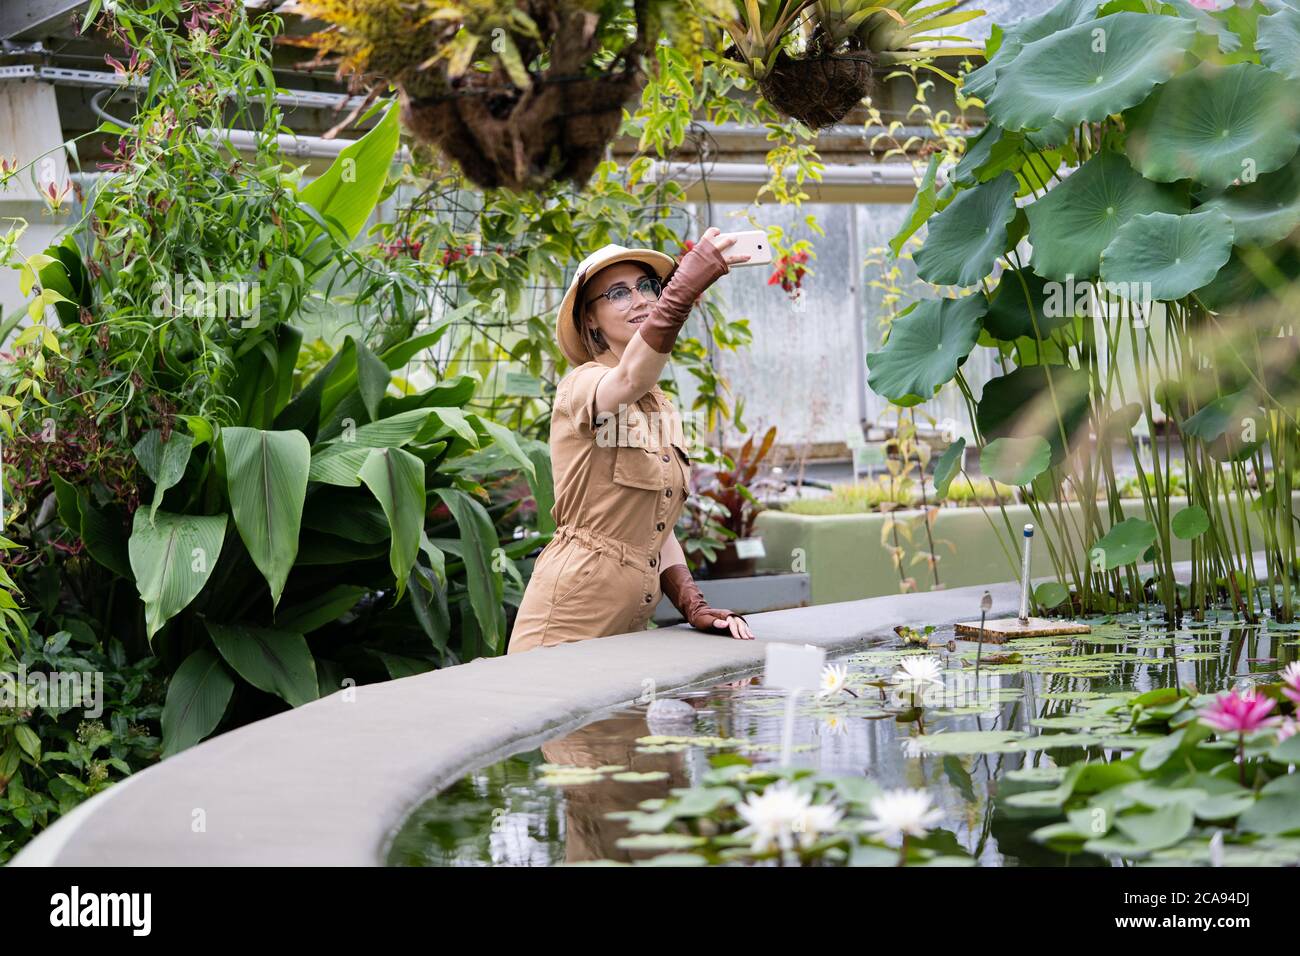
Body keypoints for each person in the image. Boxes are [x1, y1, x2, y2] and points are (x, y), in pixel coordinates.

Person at [507, 227, 757, 654]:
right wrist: (685, 288)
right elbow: (628, 377)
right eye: (619, 293)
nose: (641, 299)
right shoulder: (582, 387)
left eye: (648, 286)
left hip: (627, 628)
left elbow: (655, 523)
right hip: (567, 621)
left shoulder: (659, 405)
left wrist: (690, 601)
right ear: (590, 319)